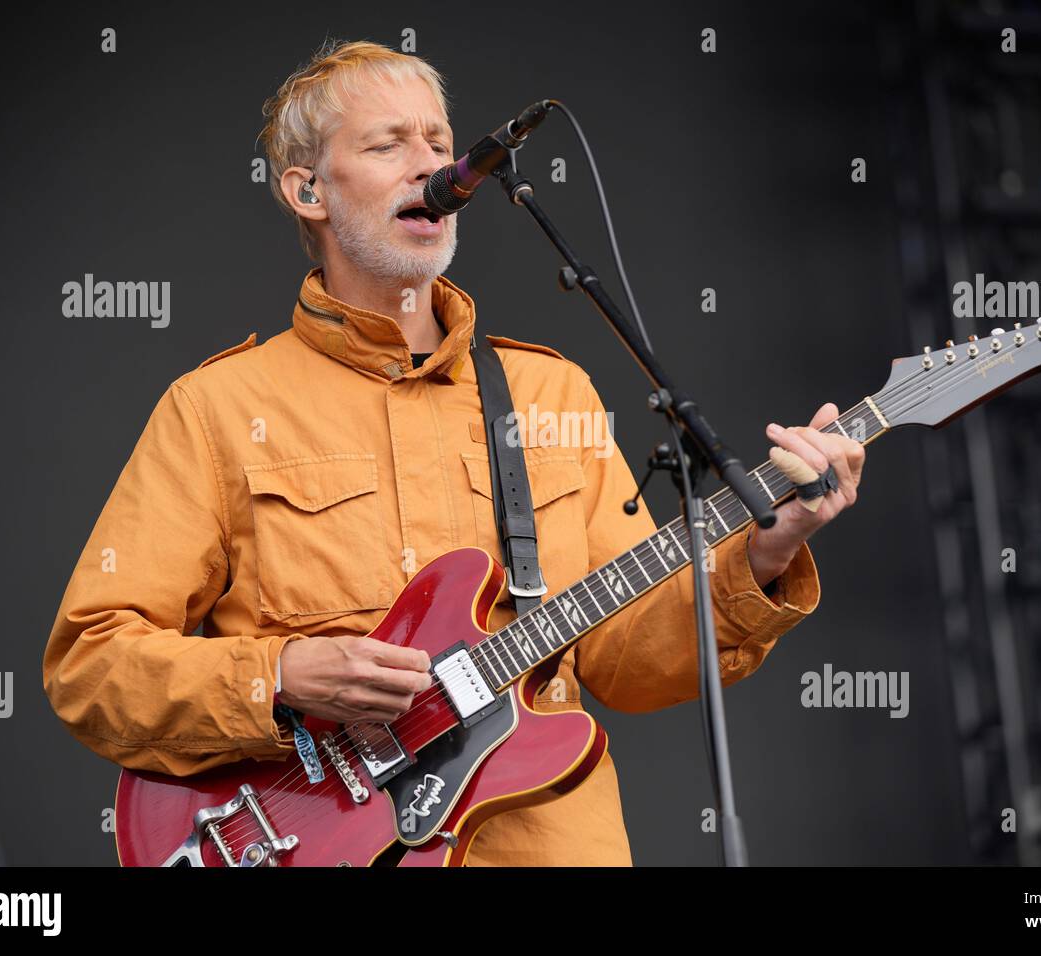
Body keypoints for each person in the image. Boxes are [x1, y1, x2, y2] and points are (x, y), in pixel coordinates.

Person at [42, 38, 866, 866]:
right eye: (387, 144)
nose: (431, 163)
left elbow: (628, 660)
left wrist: (764, 551)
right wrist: (282, 676)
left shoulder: (551, 396)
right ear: (307, 190)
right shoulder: (218, 408)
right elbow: (91, 666)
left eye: (439, 142)